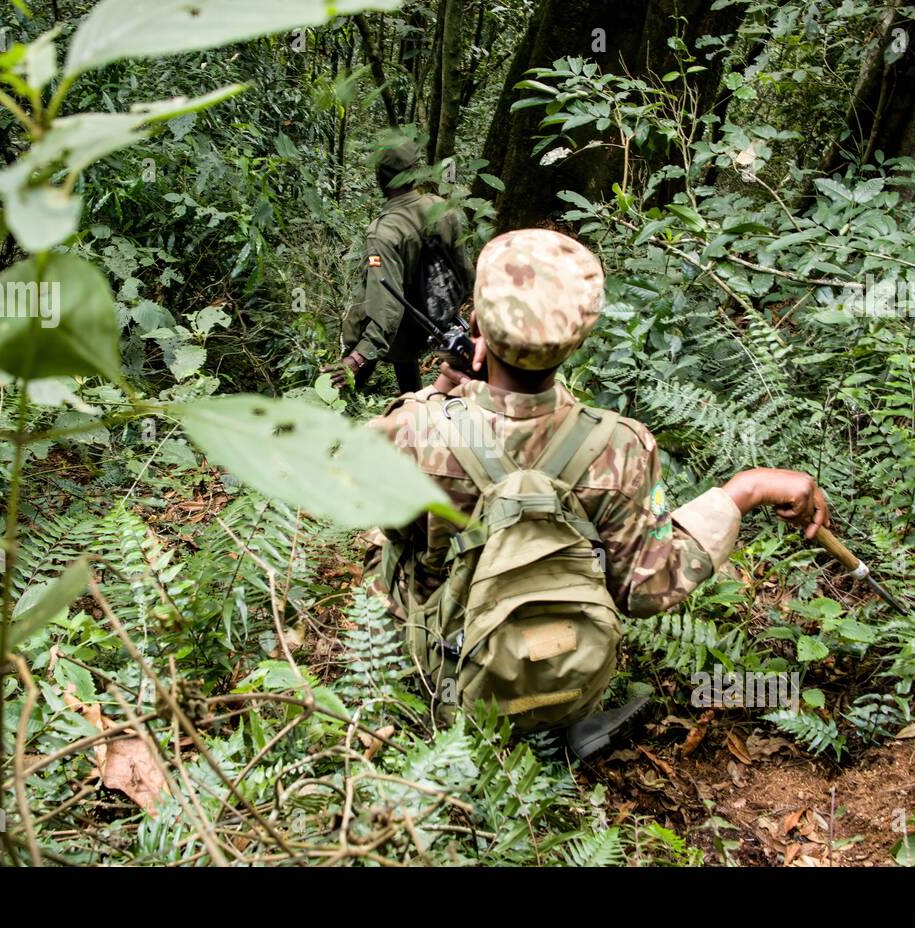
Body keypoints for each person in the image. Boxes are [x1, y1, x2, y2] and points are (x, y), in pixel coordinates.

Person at [365, 228, 830, 759]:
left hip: (445, 682)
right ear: (577, 336)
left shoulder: (412, 432)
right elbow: (647, 587)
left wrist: (440, 396)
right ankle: (556, 721)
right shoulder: (624, 448)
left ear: (477, 322)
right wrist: (741, 492)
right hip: (568, 678)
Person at [329, 136, 475, 394]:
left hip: (395, 334)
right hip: (427, 325)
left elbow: (386, 307)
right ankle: (414, 401)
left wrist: (357, 357)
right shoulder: (441, 207)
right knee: (406, 365)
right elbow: (465, 273)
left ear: (380, 176)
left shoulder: (384, 233)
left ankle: (337, 416)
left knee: (345, 386)